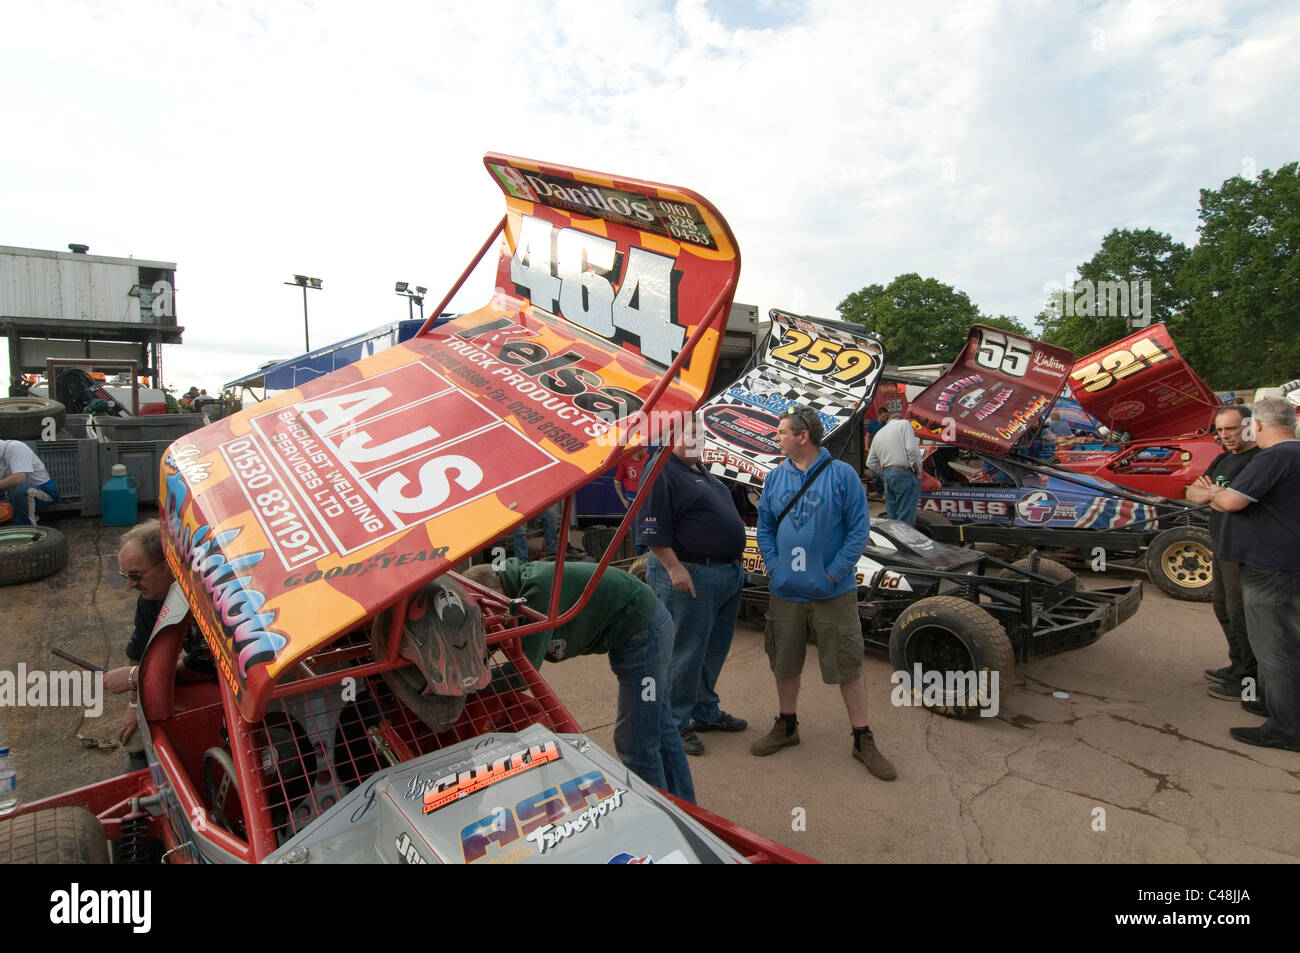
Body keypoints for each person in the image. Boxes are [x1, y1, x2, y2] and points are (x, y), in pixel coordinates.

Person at [463, 558, 695, 801]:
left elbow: (522, 674)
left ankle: (660, 814)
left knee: (636, 739)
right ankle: (686, 807)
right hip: (638, 627)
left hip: (645, 631)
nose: (487, 615)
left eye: (485, 607)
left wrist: (470, 688)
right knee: (659, 722)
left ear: (495, 588)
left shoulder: (537, 591)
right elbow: (491, 641)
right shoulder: (511, 592)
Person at [752, 405, 896, 780]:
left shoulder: (843, 476)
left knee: (847, 663)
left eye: (782, 432)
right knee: (784, 661)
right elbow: (765, 526)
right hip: (786, 592)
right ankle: (786, 726)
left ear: (803, 436)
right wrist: (775, 565)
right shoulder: (774, 478)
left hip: (833, 593)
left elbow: (858, 532)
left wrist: (832, 575)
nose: (777, 437)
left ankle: (862, 737)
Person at [639, 426, 747, 757]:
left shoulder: (698, 470)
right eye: (690, 436)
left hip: (725, 572)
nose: (698, 441)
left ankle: (704, 711)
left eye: (700, 436)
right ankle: (675, 722)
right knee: (685, 651)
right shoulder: (660, 469)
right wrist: (673, 567)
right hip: (690, 572)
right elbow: (651, 526)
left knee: (712, 650)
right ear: (671, 438)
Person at [1211, 397, 1300, 751]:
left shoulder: (1275, 456)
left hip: (1272, 567)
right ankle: (1278, 706)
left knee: (1274, 647)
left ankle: (1286, 728)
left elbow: (1232, 501)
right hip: (1287, 563)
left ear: (1257, 426)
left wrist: (1216, 493)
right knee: (1285, 643)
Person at [102, 521, 215, 757]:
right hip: (204, 670)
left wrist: (136, 678)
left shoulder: (207, 595)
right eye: (125, 575)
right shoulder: (150, 598)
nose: (129, 585)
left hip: (226, 681)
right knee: (135, 738)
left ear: (168, 564)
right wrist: (135, 705)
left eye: (135, 575)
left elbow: (203, 667)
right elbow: (139, 654)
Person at [1185, 406, 1259, 703]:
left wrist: (1215, 495)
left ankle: (1249, 679)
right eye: (1220, 430)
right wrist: (1216, 494)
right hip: (1221, 544)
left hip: (1243, 548)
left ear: (1250, 426)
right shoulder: (1224, 459)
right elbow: (1191, 493)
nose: (1225, 436)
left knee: (1240, 613)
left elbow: (1231, 503)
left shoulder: (1258, 460)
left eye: (1231, 428)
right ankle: (1237, 665)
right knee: (1222, 608)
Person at [866, 412, 923, 525]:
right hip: (905, 473)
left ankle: (894, 541)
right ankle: (905, 541)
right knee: (906, 516)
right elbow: (912, 449)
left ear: (888, 421)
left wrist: (886, 473)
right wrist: (918, 470)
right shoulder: (904, 424)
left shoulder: (879, 433)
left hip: (888, 475)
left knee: (892, 517)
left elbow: (870, 463)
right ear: (900, 419)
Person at [0, 439, 60, 525]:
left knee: (17, 489)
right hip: (9, 494)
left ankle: (26, 528)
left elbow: (19, 478)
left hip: (44, 493)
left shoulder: (16, 447)